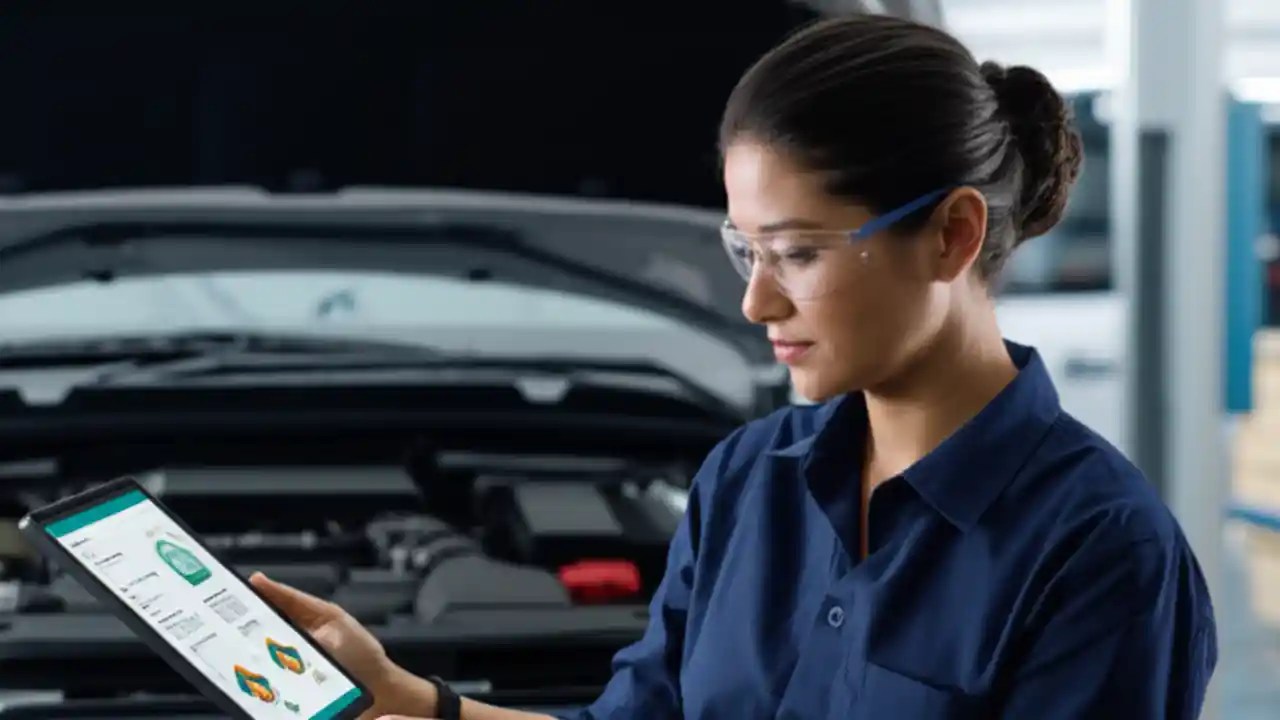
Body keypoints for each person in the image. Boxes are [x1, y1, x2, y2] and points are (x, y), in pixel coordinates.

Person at [251, 13, 1218, 719]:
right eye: (745, 250)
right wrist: (411, 701)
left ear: (952, 235)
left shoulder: (1102, 554)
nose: (756, 302)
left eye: (797, 253)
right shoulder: (749, 479)